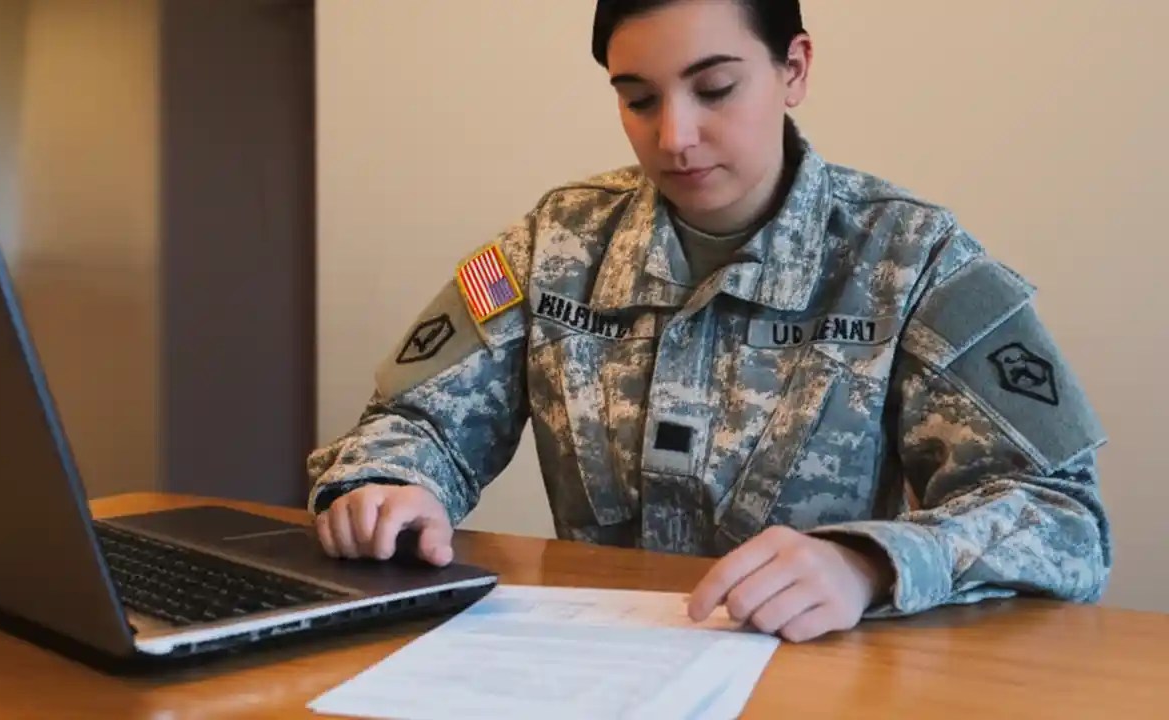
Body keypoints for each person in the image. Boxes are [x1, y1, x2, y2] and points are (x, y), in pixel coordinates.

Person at [306, 0, 1111, 643]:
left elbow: (1061, 515)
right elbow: (416, 418)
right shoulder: (557, 243)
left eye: (715, 88)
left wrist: (867, 564)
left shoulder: (909, 259)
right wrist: (391, 485)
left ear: (793, 68)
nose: (675, 137)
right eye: (639, 99)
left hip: (819, 676)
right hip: (591, 665)